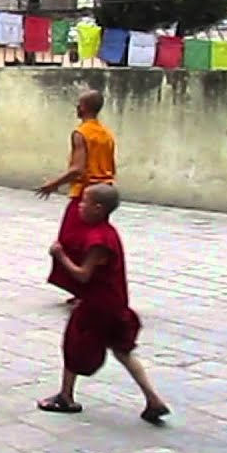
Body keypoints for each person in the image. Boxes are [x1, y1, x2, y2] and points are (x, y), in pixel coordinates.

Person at [37, 185, 171, 425]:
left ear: (98, 209)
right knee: (123, 351)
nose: (79, 206)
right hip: (115, 302)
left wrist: (60, 255)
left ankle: (66, 396)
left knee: (73, 345)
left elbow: (82, 275)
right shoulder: (107, 232)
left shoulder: (98, 239)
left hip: (96, 304)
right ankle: (153, 400)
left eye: (84, 203)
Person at [36, 90, 116, 306]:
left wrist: (53, 184)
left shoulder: (81, 133)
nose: (77, 107)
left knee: (71, 240)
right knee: (94, 242)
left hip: (86, 194)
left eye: (79, 104)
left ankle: (81, 286)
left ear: (84, 107)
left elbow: (78, 169)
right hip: (104, 192)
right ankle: (87, 288)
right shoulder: (106, 134)